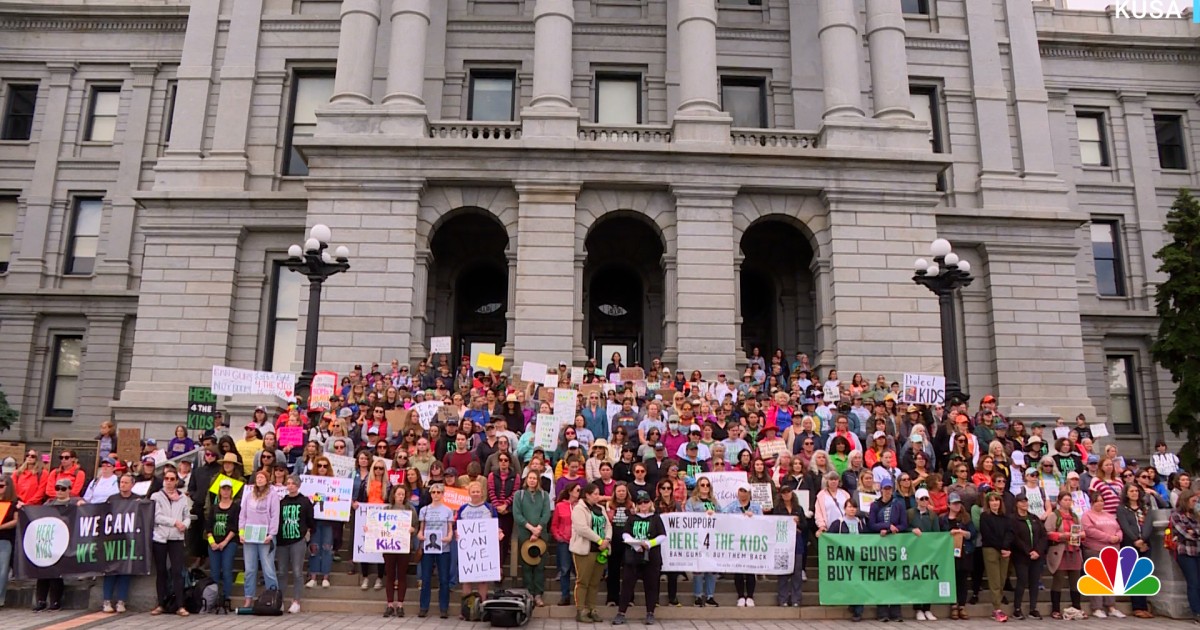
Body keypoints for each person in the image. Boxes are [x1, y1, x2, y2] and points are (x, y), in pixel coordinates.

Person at [612, 490, 666, 626]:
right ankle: (621, 612)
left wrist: (649, 544)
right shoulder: (632, 518)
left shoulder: (656, 518)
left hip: (652, 557)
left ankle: (650, 613)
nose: (643, 504)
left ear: (650, 503)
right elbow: (625, 534)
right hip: (633, 557)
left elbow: (662, 536)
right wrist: (635, 544)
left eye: (646, 502)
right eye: (640, 502)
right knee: (627, 585)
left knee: (652, 585)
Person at [150, 467, 193, 616]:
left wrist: (184, 525)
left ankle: (180, 605)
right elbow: (156, 516)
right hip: (160, 537)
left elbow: (187, 516)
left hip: (176, 537)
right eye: (166, 479)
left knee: (177, 571)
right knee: (161, 571)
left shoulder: (182, 498)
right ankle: (161, 604)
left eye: (172, 479)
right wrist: (174, 522)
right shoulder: (156, 496)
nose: (169, 482)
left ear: (176, 481)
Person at [571, 482, 612, 623]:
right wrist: (599, 541)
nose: (598, 496)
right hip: (585, 550)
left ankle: (591, 608)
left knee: (595, 582)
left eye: (598, 493)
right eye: (595, 494)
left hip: (600, 550)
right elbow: (582, 528)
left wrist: (607, 539)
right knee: (583, 581)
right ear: (587, 495)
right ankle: (581, 610)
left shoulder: (600, 508)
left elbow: (608, 525)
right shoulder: (579, 509)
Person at [866, 476, 906, 621]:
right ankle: (882, 612)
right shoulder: (875, 505)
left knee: (895, 578)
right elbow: (871, 524)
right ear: (881, 490)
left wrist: (891, 530)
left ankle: (896, 612)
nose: (887, 491)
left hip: (895, 543)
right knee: (881, 577)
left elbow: (903, 524)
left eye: (889, 488)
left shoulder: (898, 504)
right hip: (880, 545)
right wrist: (886, 526)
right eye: (885, 488)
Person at [239, 469, 280, 608]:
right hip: (250, 535)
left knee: (268, 568)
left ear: (267, 479)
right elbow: (242, 515)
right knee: (250, 569)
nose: (259, 479)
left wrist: (272, 533)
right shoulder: (249, 495)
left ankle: (273, 597)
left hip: (266, 536)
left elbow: (275, 515)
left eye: (262, 477)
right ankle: (248, 597)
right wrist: (241, 532)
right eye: (257, 477)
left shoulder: (273, 495)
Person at [457, 480, 501, 610]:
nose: (475, 494)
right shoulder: (463, 509)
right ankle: (467, 609)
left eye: (478, 491)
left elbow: (496, 525)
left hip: (484, 548)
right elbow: (457, 526)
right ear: (469, 493)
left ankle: (482, 607)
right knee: (467, 578)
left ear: (482, 493)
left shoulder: (490, 508)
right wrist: (456, 533)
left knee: (483, 578)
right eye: (473, 491)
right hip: (467, 548)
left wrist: (498, 532)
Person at [33, 478, 75, 611]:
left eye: (63, 489)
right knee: (43, 571)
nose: (60, 492)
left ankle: (55, 601)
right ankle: (41, 600)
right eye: (57, 488)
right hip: (48, 540)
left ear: (69, 490)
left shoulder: (73, 504)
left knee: (57, 572)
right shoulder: (48, 504)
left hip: (64, 541)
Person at [1080, 490, 1123, 618]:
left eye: (1101, 501)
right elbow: (1089, 530)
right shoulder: (1087, 515)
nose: (1100, 503)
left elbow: (1119, 528)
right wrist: (1108, 537)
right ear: (1091, 503)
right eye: (1097, 501)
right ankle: (1097, 607)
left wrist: (1117, 537)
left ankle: (1111, 606)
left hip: (1112, 550)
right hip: (1095, 549)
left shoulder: (1109, 515)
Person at [1043, 491, 1086, 620]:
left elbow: (1082, 531)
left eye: (1069, 500)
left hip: (1074, 549)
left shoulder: (1075, 516)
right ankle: (1055, 609)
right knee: (1058, 580)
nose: (1067, 502)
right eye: (1065, 499)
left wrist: (1081, 535)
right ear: (1059, 501)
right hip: (1060, 550)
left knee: (1075, 581)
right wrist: (1061, 536)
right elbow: (1047, 532)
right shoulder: (1053, 516)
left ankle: (1076, 607)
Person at [513, 470, 552, 606]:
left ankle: (538, 594)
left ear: (538, 481)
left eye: (535, 478)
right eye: (530, 478)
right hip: (525, 534)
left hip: (541, 535)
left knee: (540, 565)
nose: (532, 480)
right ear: (526, 479)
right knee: (526, 565)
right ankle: (529, 592)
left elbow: (546, 513)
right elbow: (517, 514)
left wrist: (539, 529)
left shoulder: (544, 495)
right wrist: (531, 529)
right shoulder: (519, 495)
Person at [824, 498, 867, 621]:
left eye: (854, 507)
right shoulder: (838, 523)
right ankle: (852, 605)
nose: (852, 509)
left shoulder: (861, 523)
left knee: (859, 584)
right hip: (844, 559)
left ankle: (858, 611)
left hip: (858, 559)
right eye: (849, 507)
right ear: (845, 509)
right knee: (849, 583)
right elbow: (829, 537)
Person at [277, 474, 314, 614]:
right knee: (281, 572)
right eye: (288, 483)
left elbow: (311, 519)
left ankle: (296, 600)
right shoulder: (282, 501)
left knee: (297, 571)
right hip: (282, 541)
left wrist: (307, 533)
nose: (290, 485)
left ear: (298, 485)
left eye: (293, 483)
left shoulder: (304, 501)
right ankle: (279, 600)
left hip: (298, 540)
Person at [1117, 482, 1155, 618]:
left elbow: (1149, 523)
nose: (1134, 493)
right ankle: (1137, 606)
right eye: (1131, 491)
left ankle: (1144, 605)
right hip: (1130, 544)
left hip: (1145, 544)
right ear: (1126, 493)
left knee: (1143, 575)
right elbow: (1125, 526)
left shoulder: (1145, 507)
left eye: (1136, 491)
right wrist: (1135, 540)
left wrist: (1143, 539)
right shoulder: (1122, 508)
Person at [418, 482, 454, 619]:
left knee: (444, 579)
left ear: (443, 494)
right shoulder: (424, 510)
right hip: (427, 548)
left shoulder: (448, 510)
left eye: (439, 492)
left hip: (443, 548)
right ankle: (423, 607)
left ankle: (444, 608)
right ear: (430, 494)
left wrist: (449, 537)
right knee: (426, 578)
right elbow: (422, 528)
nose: (436, 495)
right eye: (433, 492)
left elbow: (450, 528)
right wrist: (420, 535)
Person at [381, 483, 418, 618]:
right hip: (389, 546)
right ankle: (390, 604)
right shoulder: (387, 509)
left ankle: (400, 604)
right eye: (398, 494)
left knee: (402, 575)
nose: (400, 497)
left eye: (403, 494)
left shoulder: (410, 509)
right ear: (394, 495)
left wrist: (413, 530)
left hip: (404, 546)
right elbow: (378, 526)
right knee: (390, 575)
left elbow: (416, 526)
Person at [1010, 493, 1048, 621]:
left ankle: (1033, 608)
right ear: (1017, 504)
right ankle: (1017, 609)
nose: (1024, 504)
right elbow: (1015, 538)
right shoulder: (1013, 519)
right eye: (1021, 502)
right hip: (1021, 556)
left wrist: (1037, 551)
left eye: (1026, 501)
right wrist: (1028, 551)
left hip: (1037, 556)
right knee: (1022, 581)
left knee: (1034, 581)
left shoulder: (1034, 518)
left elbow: (1043, 535)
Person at [724, 482, 763, 607]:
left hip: (751, 541)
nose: (743, 493)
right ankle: (740, 595)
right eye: (741, 491)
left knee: (750, 569)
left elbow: (763, 521)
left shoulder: (756, 507)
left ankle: (750, 596)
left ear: (749, 493)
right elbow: (723, 517)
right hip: (737, 541)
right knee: (738, 569)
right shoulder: (732, 506)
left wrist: (754, 517)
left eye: (745, 491)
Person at [684, 475, 720, 607]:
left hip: (712, 537)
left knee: (711, 568)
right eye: (702, 485)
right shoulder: (692, 501)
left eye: (707, 485)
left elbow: (723, 517)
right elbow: (688, 517)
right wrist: (703, 515)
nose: (705, 487)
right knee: (698, 568)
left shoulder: (715, 502)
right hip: (698, 537)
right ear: (698, 486)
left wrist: (714, 514)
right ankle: (698, 596)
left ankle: (710, 596)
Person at [206, 477, 240, 613]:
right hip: (213, 543)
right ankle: (213, 600)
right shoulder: (214, 508)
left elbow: (235, 527)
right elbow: (208, 527)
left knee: (226, 571)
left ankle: (225, 598)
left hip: (229, 542)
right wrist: (212, 542)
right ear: (219, 491)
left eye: (228, 489)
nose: (225, 492)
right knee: (214, 573)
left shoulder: (236, 507)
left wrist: (225, 542)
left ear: (231, 491)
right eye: (223, 489)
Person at [774, 480, 807, 607]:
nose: (786, 494)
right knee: (783, 571)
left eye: (788, 492)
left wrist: (798, 523)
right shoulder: (777, 509)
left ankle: (796, 599)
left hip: (797, 542)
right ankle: (782, 599)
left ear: (792, 494)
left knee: (797, 572)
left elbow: (805, 526)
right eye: (784, 492)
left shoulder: (799, 509)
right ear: (781, 495)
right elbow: (775, 524)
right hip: (783, 543)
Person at [979, 491, 1012, 622]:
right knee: (995, 580)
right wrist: (1001, 547)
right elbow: (987, 534)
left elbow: (1010, 532)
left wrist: (1006, 547)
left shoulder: (1005, 517)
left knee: (1002, 579)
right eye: (992, 501)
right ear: (988, 503)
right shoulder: (984, 516)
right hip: (991, 549)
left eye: (997, 500)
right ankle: (997, 608)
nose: (995, 503)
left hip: (1005, 551)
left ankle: (998, 605)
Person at [304, 455, 335, 588]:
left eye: (325, 466)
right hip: (314, 521)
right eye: (319, 465)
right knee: (314, 547)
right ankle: (313, 576)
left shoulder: (334, 483)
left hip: (328, 520)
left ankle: (326, 576)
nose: (322, 468)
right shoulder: (309, 482)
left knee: (327, 547)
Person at [1169, 490, 1200, 624]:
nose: (1195, 503)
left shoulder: (1196, 515)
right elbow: (1186, 533)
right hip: (1186, 552)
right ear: (1185, 500)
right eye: (1193, 501)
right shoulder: (1176, 515)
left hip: (1198, 550)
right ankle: (1196, 612)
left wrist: (1194, 531)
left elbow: (1194, 532)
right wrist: (1194, 532)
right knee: (1193, 582)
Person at [945, 492, 977, 620]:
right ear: (949, 505)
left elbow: (973, 533)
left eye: (958, 503)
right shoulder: (943, 519)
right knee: (952, 579)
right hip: (949, 554)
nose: (957, 506)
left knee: (962, 580)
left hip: (964, 552)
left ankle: (962, 605)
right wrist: (949, 534)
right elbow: (939, 535)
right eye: (954, 503)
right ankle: (953, 604)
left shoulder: (966, 518)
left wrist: (963, 533)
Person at [551, 484, 582, 606]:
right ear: (570, 492)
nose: (580, 492)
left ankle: (578, 596)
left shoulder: (581, 506)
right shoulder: (560, 506)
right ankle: (565, 596)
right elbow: (554, 525)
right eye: (577, 490)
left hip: (579, 541)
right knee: (565, 569)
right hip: (564, 542)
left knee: (579, 570)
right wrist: (558, 536)